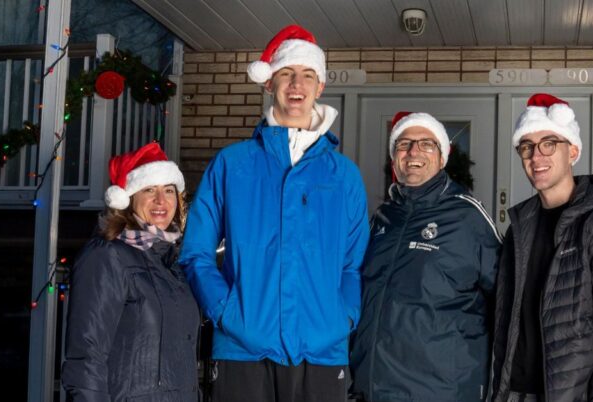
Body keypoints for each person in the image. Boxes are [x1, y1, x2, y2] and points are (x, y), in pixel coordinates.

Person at [179, 25, 369, 402]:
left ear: (320, 87)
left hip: (322, 349)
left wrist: (342, 317)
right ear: (269, 84)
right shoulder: (232, 165)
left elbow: (355, 264)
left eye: (307, 75)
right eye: (286, 73)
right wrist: (227, 313)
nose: (296, 84)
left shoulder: (344, 174)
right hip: (242, 349)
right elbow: (196, 253)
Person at [491, 93, 593, 402]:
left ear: (572, 151)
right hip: (514, 393)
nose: (536, 156)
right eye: (527, 147)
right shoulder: (519, 228)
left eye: (549, 143)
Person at [350, 112, 502, 402]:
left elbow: (506, 300)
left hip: (441, 388)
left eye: (426, 144)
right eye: (404, 144)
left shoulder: (468, 217)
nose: (413, 151)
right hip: (374, 385)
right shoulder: (382, 218)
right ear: (394, 159)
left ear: (442, 157)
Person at [62, 142, 199, 401]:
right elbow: (86, 358)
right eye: (149, 190)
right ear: (128, 199)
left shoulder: (172, 262)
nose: (161, 200)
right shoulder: (107, 256)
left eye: (169, 190)